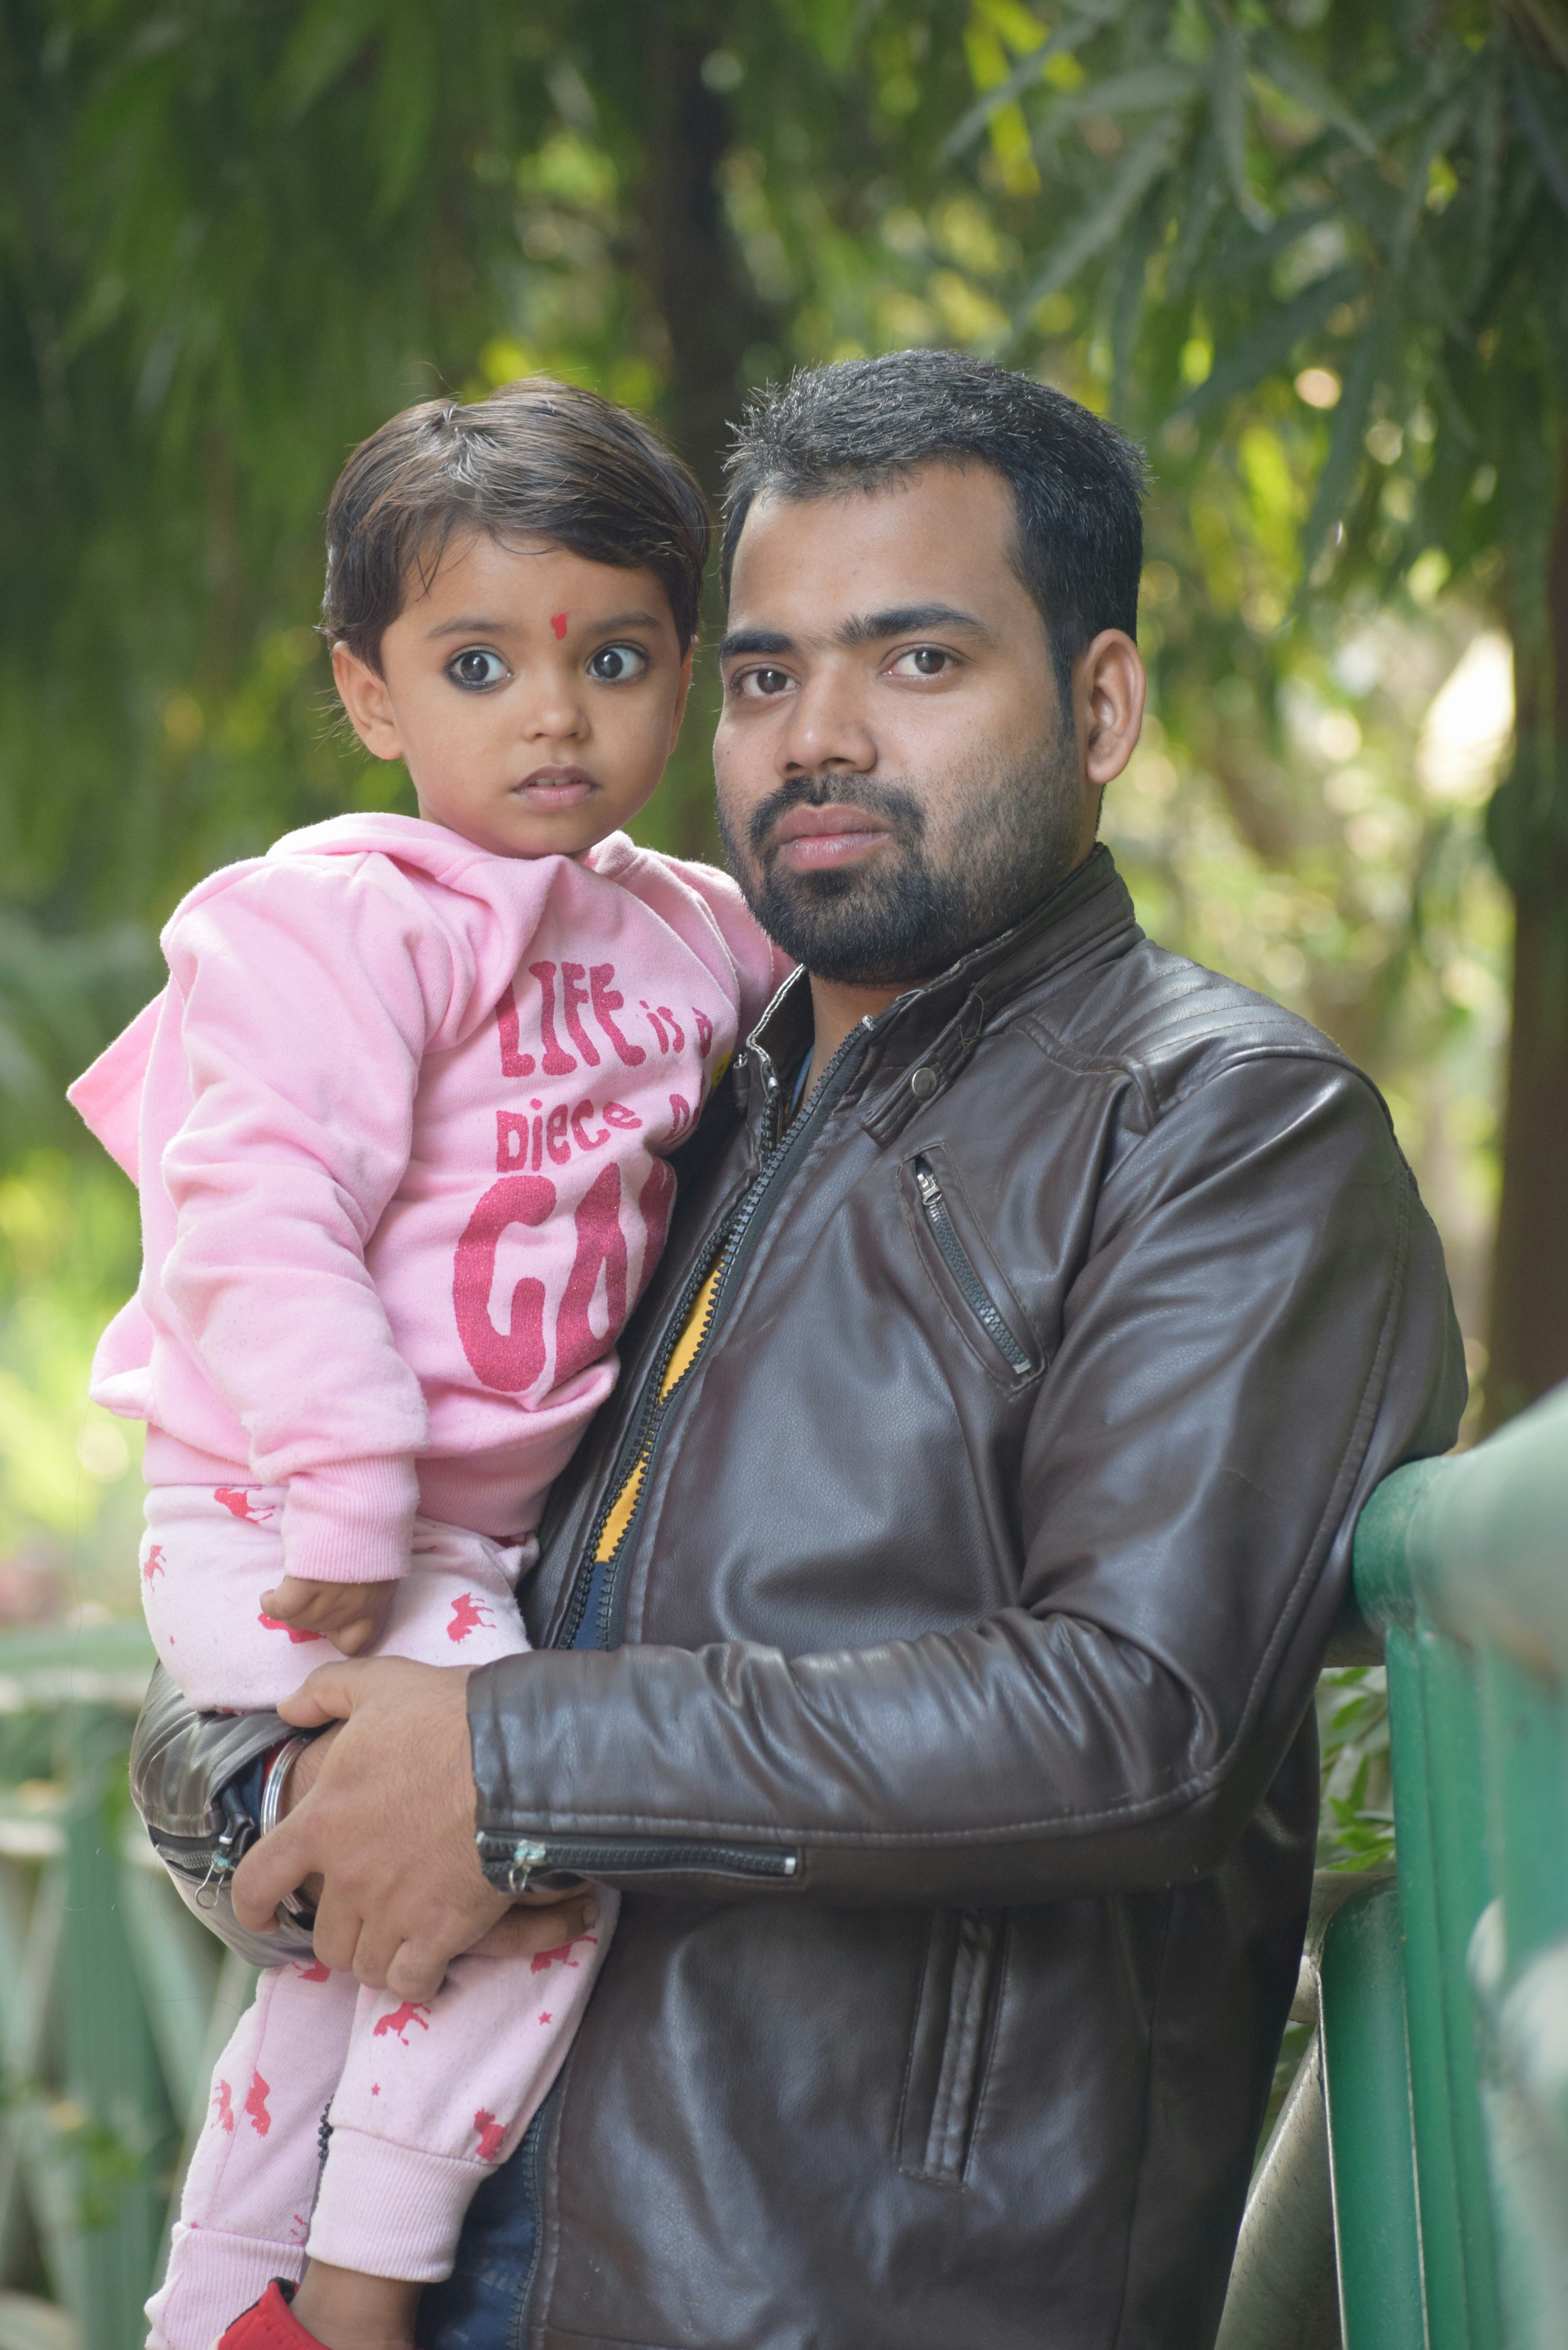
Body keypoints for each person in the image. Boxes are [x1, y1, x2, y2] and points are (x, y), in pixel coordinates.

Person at [132, 349, 1466, 2350]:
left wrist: (509, 1768)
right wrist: (246, 1800)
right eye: (762, 675)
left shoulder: (1223, 1128)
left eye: (918, 661)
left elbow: (1139, 1719)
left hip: (830, 2294)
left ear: (1101, 704)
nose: (819, 736)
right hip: (439, 2257)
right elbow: (382, 1608)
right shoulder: (662, 1100)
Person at [69, 379, 781, 2350]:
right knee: (525, 1864)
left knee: (347, 1943)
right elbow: (254, 1217)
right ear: (373, 694)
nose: (551, 717)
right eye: (479, 663)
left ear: (684, 678)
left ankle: (222, 2306)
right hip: (285, 1514)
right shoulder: (336, 922)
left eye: (614, 660)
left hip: (456, 1564)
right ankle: (371, 2304)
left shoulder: (686, 935)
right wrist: (353, 1486)